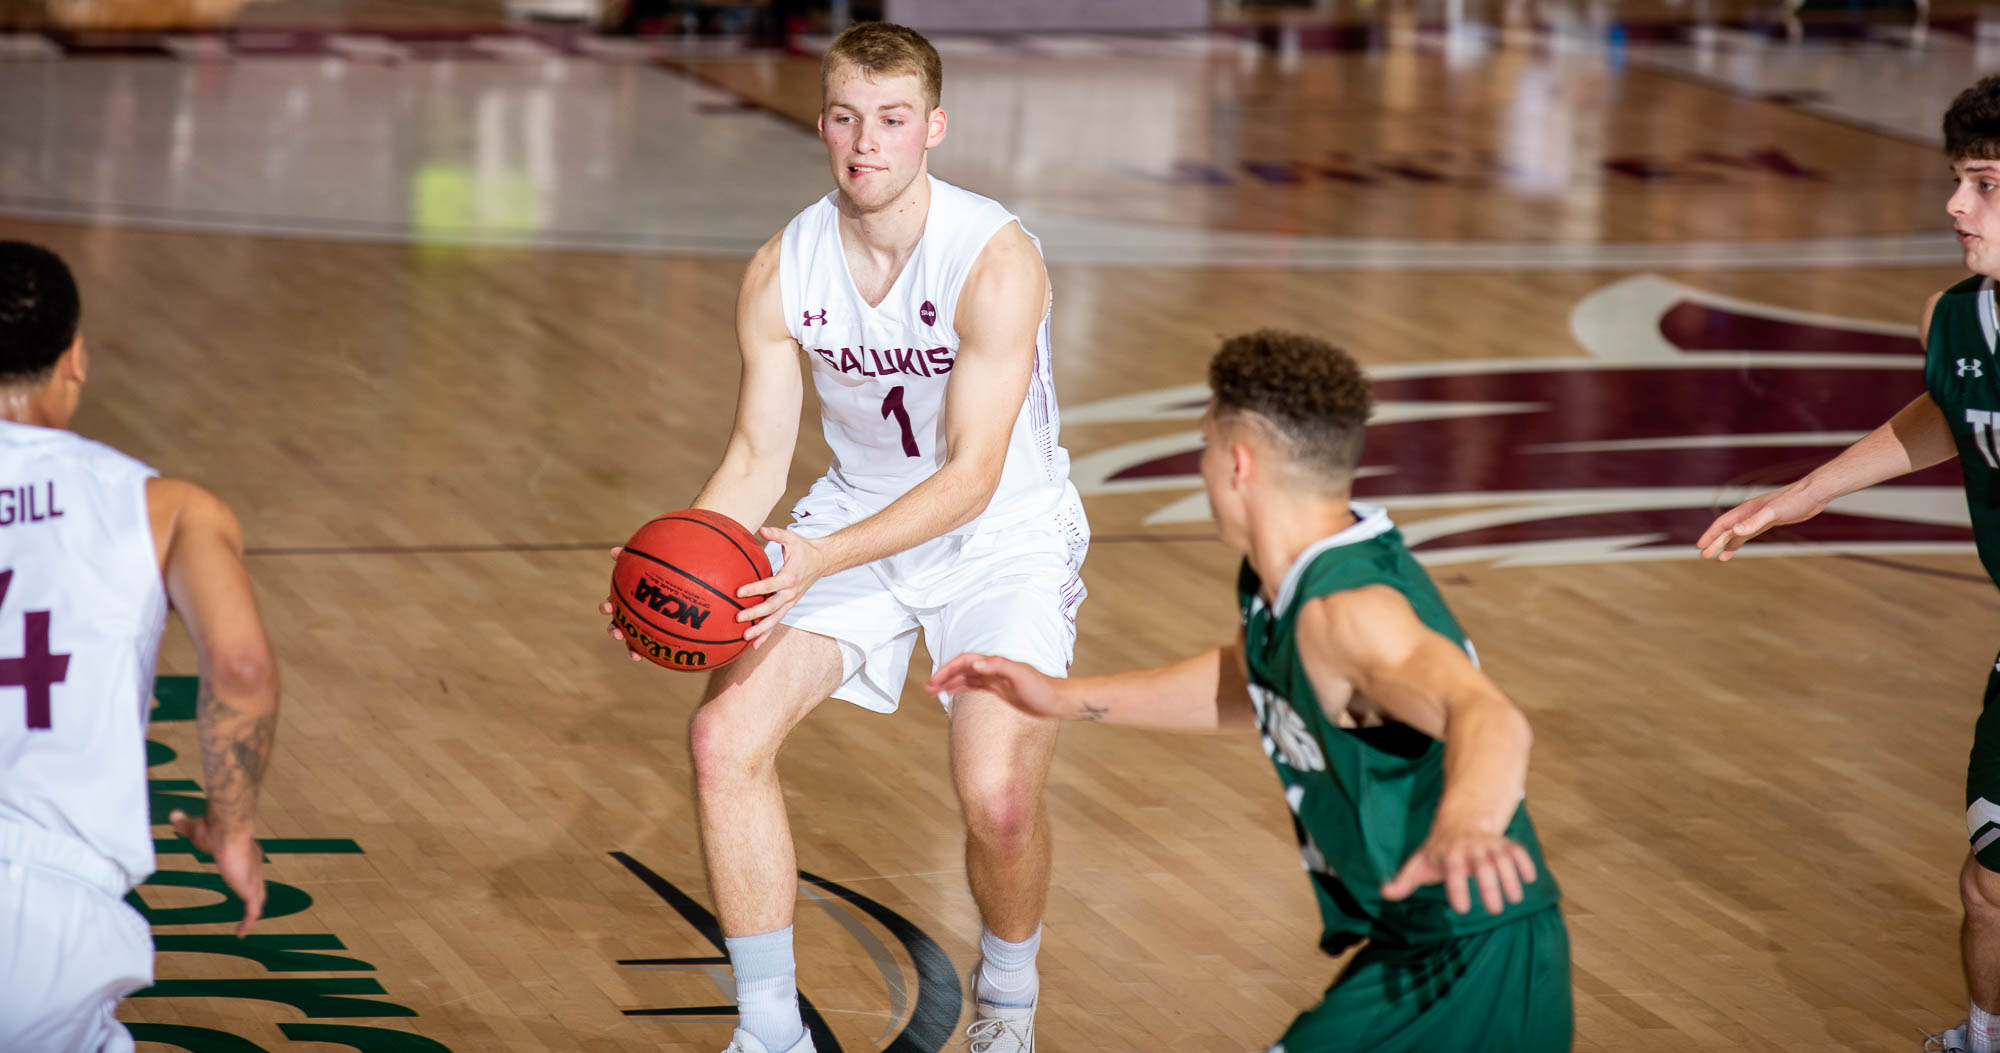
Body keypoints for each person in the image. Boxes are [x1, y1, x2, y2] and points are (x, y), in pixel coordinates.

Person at [603, 22, 1087, 1053]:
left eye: (892, 120)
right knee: (720, 741)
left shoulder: (992, 260)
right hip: (851, 509)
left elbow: (968, 479)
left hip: (1001, 532)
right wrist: (678, 560)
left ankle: (1007, 1001)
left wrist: (814, 558)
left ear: (932, 130)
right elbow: (750, 460)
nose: (866, 143)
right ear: (821, 125)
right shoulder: (784, 266)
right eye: (845, 119)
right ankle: (769, 1031)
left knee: (995, 797)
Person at [928, 330, 1572, 1052]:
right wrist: (1062, 696)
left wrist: (1468, 824)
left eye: (1205, 446)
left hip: (1472, 959)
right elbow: (1253, 678)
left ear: (1238, 463)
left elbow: (1489, 713)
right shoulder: (1294, 582)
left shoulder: (1347, 611)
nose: (1201, 469)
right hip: (1422, 949)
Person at [1697, 74, 2000, 1053]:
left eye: (1985, 185)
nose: (1955, 207)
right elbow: (1947, 413)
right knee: (1988, 884)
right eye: (1957, 181)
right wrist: (1801, 494)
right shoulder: (1955, 321)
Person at [0, 240, 279, 1052]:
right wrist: (232, 823)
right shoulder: (166, 507)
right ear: (75, 359)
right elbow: (241, 665)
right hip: (45, 915)